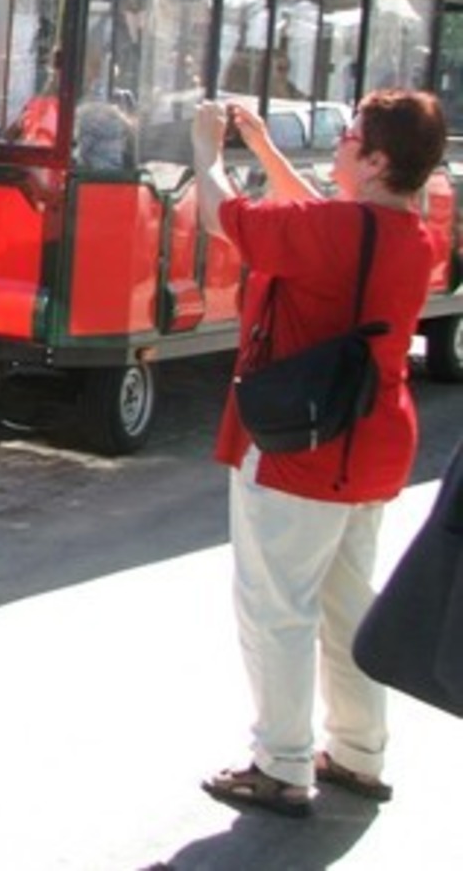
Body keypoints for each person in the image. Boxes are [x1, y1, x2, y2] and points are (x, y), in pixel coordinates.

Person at [192, 90, 447, 818]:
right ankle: (360, 753)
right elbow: (327, 223)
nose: (338, 144)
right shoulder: (410, 229)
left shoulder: (338, 230)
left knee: (275, 608)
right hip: (373, 442)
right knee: (347, 605)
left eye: (352, 137)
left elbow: (224, 216)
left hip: (302, 445)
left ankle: (280, 763)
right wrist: (269, 149)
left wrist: (208, 150)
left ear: (376, 161)